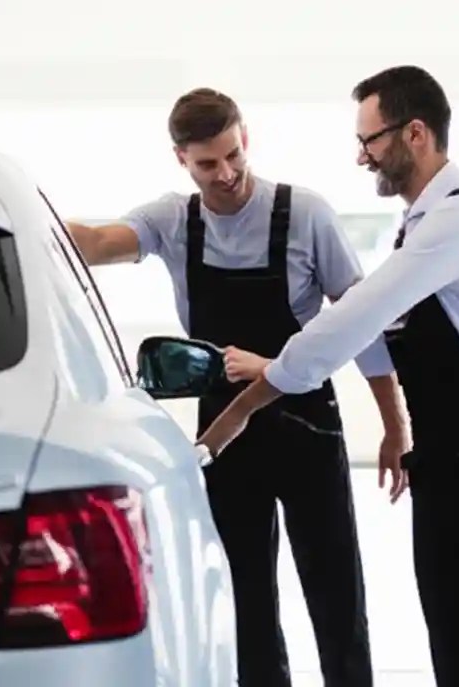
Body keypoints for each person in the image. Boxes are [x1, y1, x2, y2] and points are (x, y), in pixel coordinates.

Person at [197, 66, 459, 687]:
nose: (361, 156)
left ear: (415, 133)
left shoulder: (458, 222)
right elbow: (375, 330)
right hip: (451, 473)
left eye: (370, 140)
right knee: (457, 659)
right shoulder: (420, 224)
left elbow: (355, 316)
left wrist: (252, 394)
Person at [65, 87, 409, 687]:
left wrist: (394, 424)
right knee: (243, 590)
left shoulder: (305, 214)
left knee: (334, 589)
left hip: (306, 420)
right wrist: (11, 212)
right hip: (223, 429)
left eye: (232, 155)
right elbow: (92, 245)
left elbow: (362, 323)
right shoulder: (172, 220)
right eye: (207, 163)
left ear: (245, 138)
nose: (225, 174)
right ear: (182, 160)